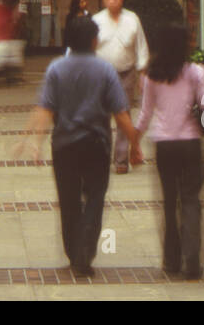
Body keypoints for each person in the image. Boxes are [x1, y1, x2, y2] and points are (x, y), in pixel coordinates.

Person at [21, 15, 143, 277]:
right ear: (93, 40)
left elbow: (45, 108)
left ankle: (74, 251)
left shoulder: (56, 69)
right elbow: (120, 113)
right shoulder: (106, 70)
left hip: (64, 145)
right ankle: (85, 252)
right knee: (95, 198)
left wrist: (36, 143)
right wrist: (134, 143)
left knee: (68, 201)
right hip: (96, 145)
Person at [135, 21, 204, 279]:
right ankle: (191, 262)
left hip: (164, 144)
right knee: (191, 200)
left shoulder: (150, 75)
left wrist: (133, 141)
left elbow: (145, 114)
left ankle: (171, 260)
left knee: (169, 203)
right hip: (190, 143)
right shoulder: (195, 72)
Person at [92, 0, 151, 174]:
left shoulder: (132, 20)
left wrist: (143, 73)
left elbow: (141, 47)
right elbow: (88, 48)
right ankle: (101, 156)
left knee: (123, 115)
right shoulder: (96, 21)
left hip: (126, 73)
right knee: (101, 117)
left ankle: (121, 159)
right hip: (101, 74)